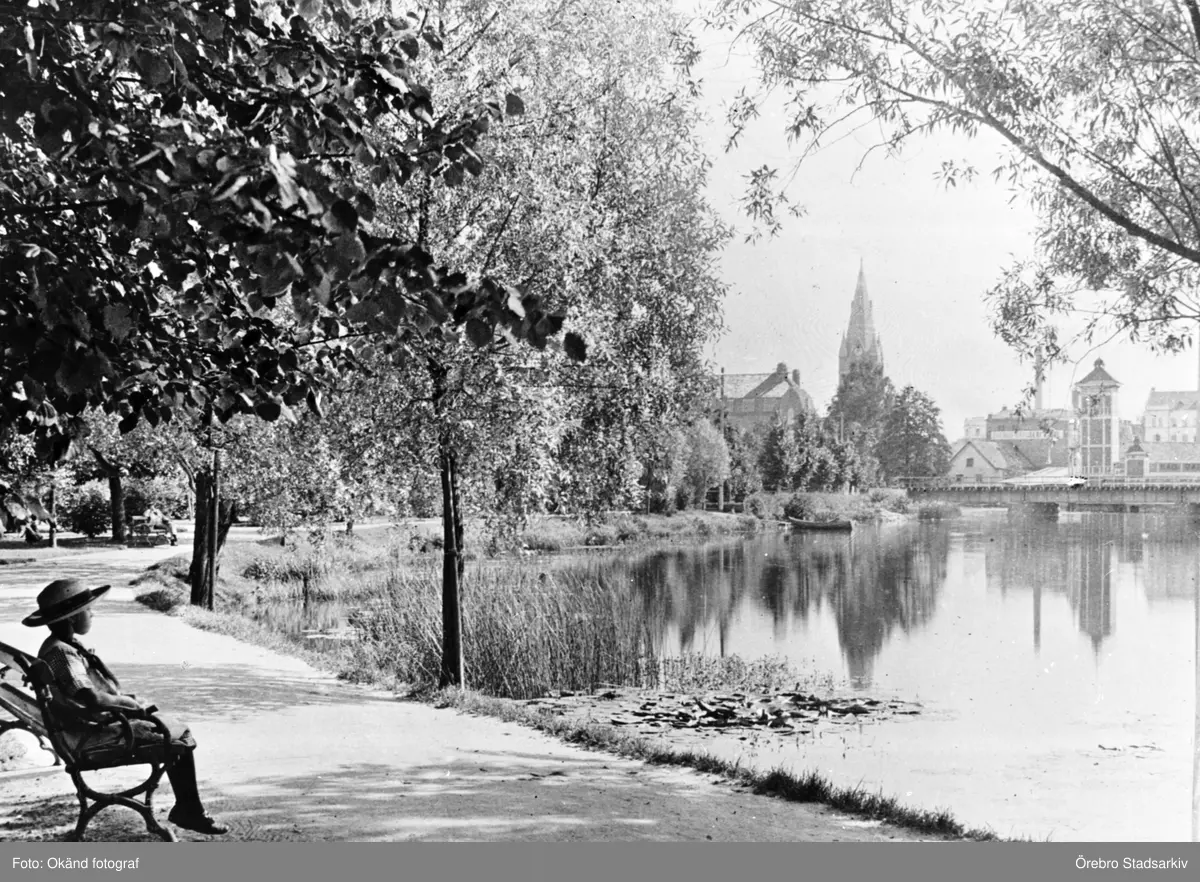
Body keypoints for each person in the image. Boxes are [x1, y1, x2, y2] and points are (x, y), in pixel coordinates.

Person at [22, 579, 227, 835]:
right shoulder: (62, 653)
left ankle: (188, 807)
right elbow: (91, 698)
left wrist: (129, 703)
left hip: (84, 727)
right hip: (91, 735)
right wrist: (130, 705)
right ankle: (189, 810)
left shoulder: (60, 647)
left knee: (169, 724)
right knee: (180, 734)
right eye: (88, 610)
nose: (92, 613)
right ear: (73, 618)